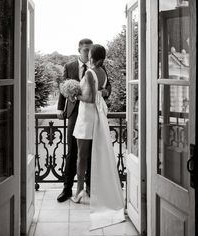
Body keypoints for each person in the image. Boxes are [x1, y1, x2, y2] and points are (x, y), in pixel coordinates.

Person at [71, 44, 125, 230]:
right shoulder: (103, 72)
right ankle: (92, 189)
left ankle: (78, 192)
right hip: (98, 118)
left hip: (87, 119)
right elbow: (101, 94)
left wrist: (74, 95)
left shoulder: (89, 73)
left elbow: (90, 98)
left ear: (92, 56)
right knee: (95, 156)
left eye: (89, 52)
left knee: (82, 158)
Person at [56, 39, 111, 202]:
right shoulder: (70, 66)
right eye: (85, 50)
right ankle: (67, 189)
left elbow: (108, 88)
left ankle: (88, 189)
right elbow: (63, 88)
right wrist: (61, 108)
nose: (87, 52)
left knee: (88, 154)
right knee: (72, 151)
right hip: (74, 113)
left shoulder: (98, 69)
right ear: (79, 50)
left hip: (89, 114)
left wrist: (102, 93)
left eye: (90, 50)